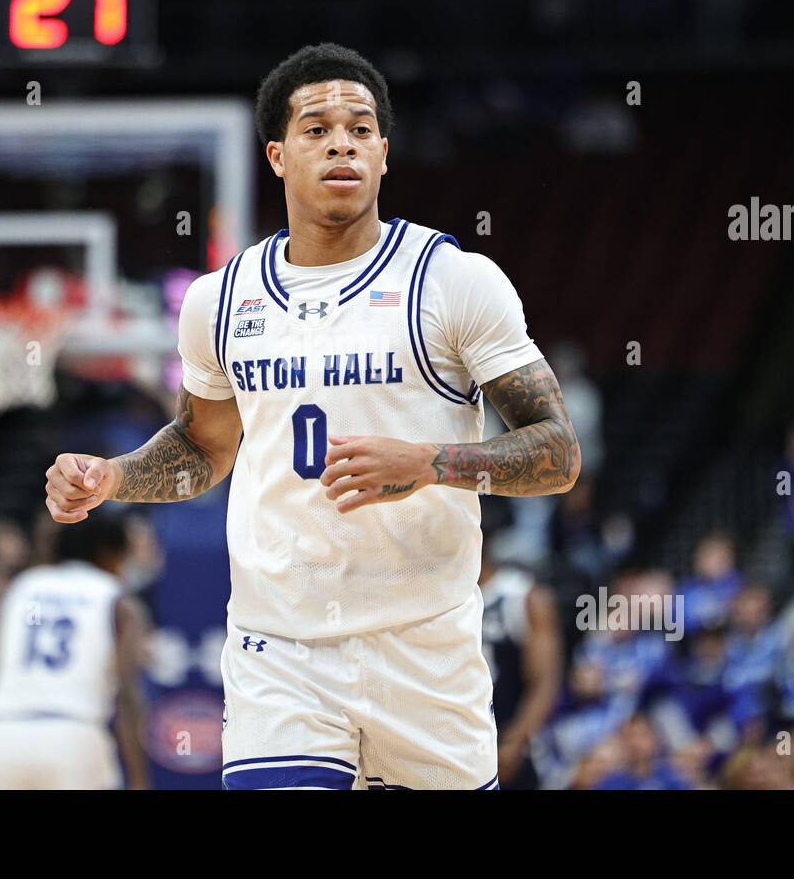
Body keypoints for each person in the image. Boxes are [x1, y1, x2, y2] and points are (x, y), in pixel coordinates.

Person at [45, 42, 580, 790]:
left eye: (361, 129)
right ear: (277, 155)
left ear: (385, 155)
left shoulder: (454, 280)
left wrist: (429, 464)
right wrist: (113, 476)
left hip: (426, 646)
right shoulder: (220, 301)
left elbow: (558, 453)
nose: (342, 143)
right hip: (282, 646)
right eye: (317, 128)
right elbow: (203, 448)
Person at [0, 515, 149, 790]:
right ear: (108, 552)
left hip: (4, 735)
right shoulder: (115, 599)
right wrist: (140, 779)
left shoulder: (17, 589)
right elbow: (127, 696)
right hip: (74, 735)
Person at [478, 547, 560, 789]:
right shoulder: (445, 595)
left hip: (512, 740)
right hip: (466, 738)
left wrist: (517, 739)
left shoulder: (521, 595)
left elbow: (545, 681)